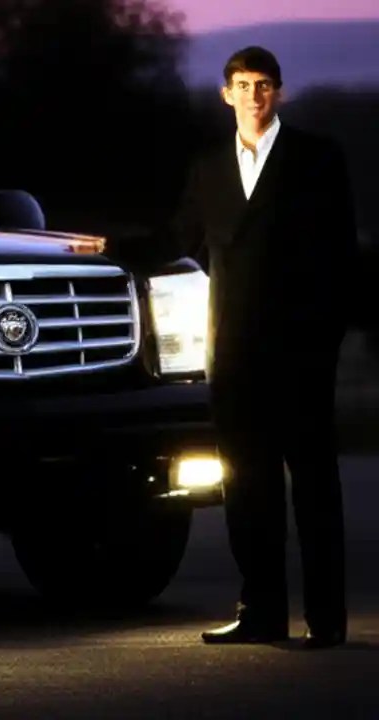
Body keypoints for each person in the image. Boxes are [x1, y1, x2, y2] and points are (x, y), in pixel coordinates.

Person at [167, 46, 359, 649]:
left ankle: (326, 619)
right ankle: (261, 613)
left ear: (279, 91)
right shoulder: (208, 168)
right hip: (234, 357)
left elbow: (341, 256)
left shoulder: (316, 158)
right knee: (248, 490)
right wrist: (100, 250)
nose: (255, 95)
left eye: (265, 84)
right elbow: (181, 244)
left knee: (314, 488)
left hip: (301, 356)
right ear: (227, 94)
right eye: (244, 85)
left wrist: (324, 338)